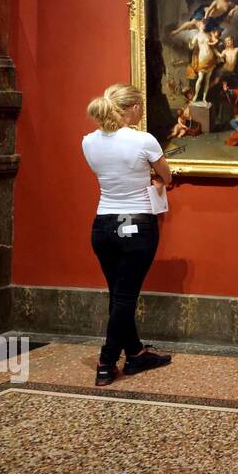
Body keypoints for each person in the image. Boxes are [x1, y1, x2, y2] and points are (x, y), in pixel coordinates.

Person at [81, 83, 174, 386]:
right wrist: (153, 175)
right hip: (136, 225)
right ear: (132, 108)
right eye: (140, 105)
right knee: (124, 297)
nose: (142, 110)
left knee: (120, 296)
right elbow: (167, 175)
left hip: (103, 226)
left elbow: (111, 175)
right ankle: (106, 362)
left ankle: (135, 353)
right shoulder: (144, 139)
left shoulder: (88, 142)